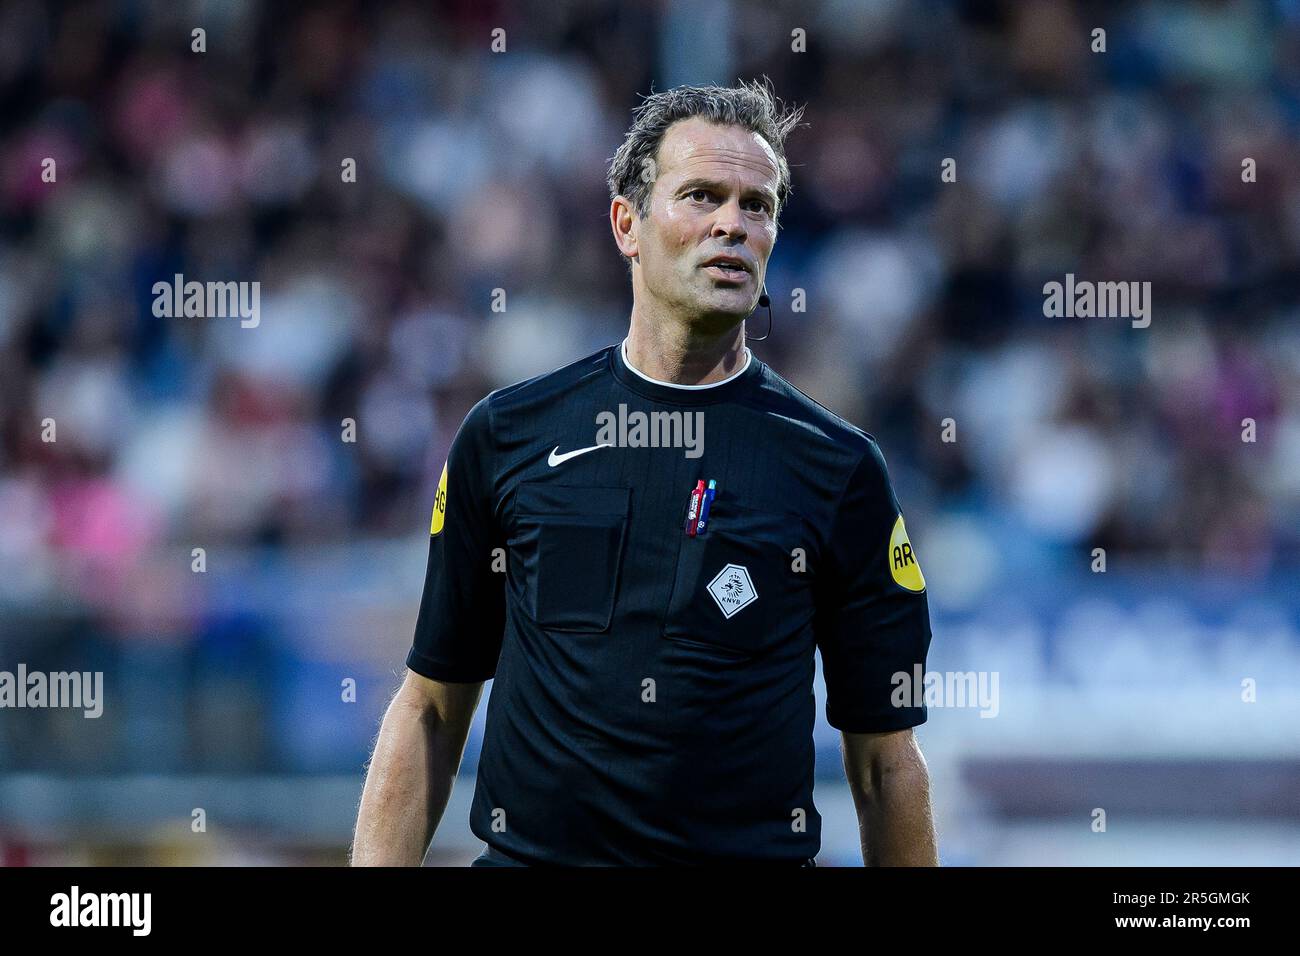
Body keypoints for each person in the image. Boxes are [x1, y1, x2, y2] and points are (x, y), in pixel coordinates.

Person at [351, 79, 937, 867]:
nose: (733, 223)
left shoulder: (838, 468)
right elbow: (428, 706)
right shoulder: (508, 435)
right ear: (627, 223)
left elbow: (886, 763)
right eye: (702, 195)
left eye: (756, 206)